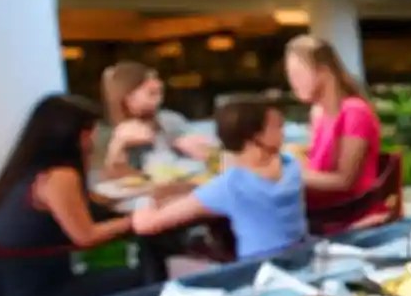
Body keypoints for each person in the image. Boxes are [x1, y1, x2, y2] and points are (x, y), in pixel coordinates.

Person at [0, 95, 140, 296]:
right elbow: (85, 236)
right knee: (135, 276)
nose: (93, 140)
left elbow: (88, 204)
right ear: (74, 134)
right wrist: (136, 220)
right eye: (90, 131)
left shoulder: (22, 173)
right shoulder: (59, 176)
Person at [132, 99, 307, 259]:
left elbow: (147, 224)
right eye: (279, 127)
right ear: (256, 136)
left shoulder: (231, 186)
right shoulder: (291, 165)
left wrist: (144, 196)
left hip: (259, 267)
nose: (284, 132)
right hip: (303, 255)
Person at [284, 35, 384, 219]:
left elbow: (345, 180)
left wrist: (284, 174)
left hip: (349, 215)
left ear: (323, 71)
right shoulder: (318, 113)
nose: (293, 83)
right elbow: (318, 169)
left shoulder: (354, 111)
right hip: (322, 212)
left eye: (298, 74)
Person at [97, 61, 214, 178]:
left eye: (160, 93)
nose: (158, 100)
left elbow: (207, 159)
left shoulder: (170, 121)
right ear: (128, 98)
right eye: (151, 94)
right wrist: (119, 145)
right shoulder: (104, 134)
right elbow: (102, 187)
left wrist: (202, 151)